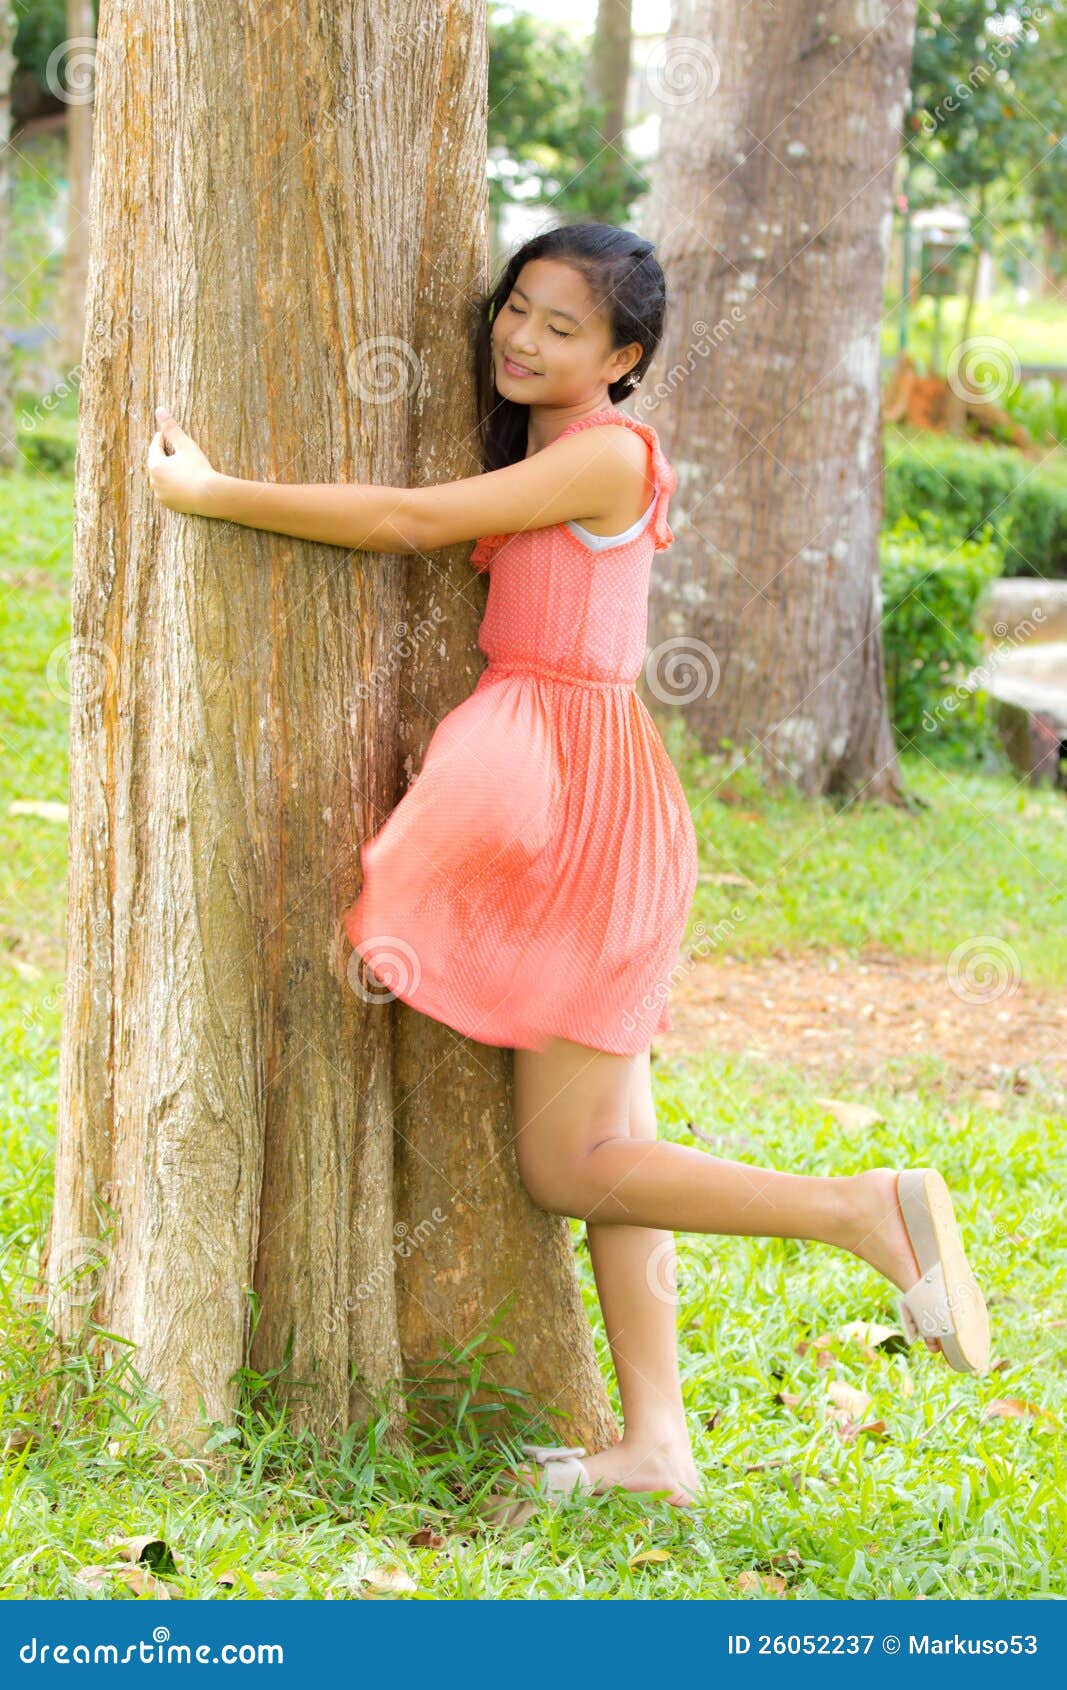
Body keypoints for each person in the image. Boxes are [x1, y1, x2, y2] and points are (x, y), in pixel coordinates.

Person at [147, 221, 989, 1512]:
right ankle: (657, 1443)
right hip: (579, 795)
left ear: (625, 356)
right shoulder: (565, 447)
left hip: (582, 810)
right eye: (518, 308)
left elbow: (404, 518)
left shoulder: (603, 454)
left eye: (563, 326)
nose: (522, 338)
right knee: (614, 1147)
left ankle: (862, 1206)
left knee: (569, 1161)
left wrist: (210, 492)